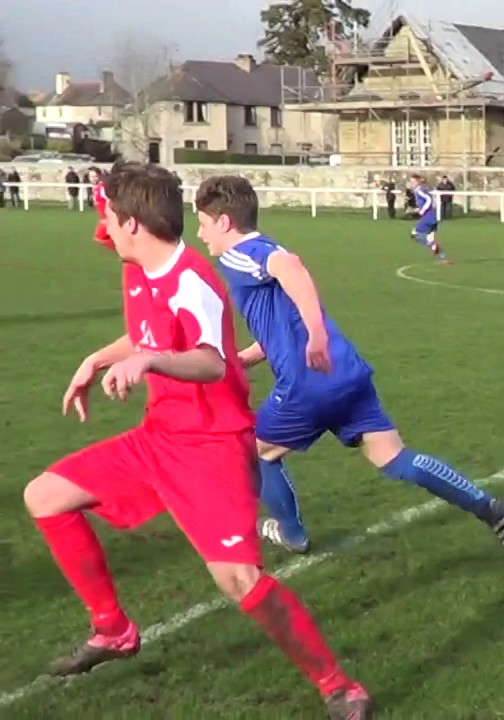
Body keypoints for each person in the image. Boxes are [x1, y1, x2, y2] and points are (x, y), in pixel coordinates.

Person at [21, 163, 371, 718]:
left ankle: (338, 686)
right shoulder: (138, 263)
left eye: (109, 219)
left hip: (212, 446)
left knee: (238, 580)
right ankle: (113, 631)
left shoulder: (193, 280)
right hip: (158, 437)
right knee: (44, 495)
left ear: (133, 224)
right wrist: (97, 358)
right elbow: (145, 333)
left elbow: (210, 362)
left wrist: (149, 360)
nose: (102, 229)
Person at [194, 175, 504, 562]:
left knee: (255, 452)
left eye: (202, 224)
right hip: (345, 371)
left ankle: (292, 535)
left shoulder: (240, 253)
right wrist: (246, 358)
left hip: (308, 384)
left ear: (224, 222)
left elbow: (292, 268)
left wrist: (316, 333)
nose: (200, 235)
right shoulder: (259, 252)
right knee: (395, 457)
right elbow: (282, 322)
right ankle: (490, 508)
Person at [409, 174, 448, 263]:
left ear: (418, 181)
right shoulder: (421, 189)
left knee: (414, 234)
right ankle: (444, 258)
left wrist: (421, 211)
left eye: (413, 181)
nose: (412, 183)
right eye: (411, 182)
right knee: (430, 239)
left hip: (428, 217)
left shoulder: (419, 190)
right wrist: (417, 209)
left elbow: (429, 200)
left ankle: (434, 246)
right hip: (432, 217)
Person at [86, 166, 112, 248]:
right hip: (104, 219)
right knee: (101, 238)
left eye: (95, 176)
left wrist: (109, 217)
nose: (93, 178)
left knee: (99, 238)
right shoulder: (96, 188)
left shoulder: (102, 187)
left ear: (100, 176)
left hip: (108, 219)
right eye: (91, 176)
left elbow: (111, 201)